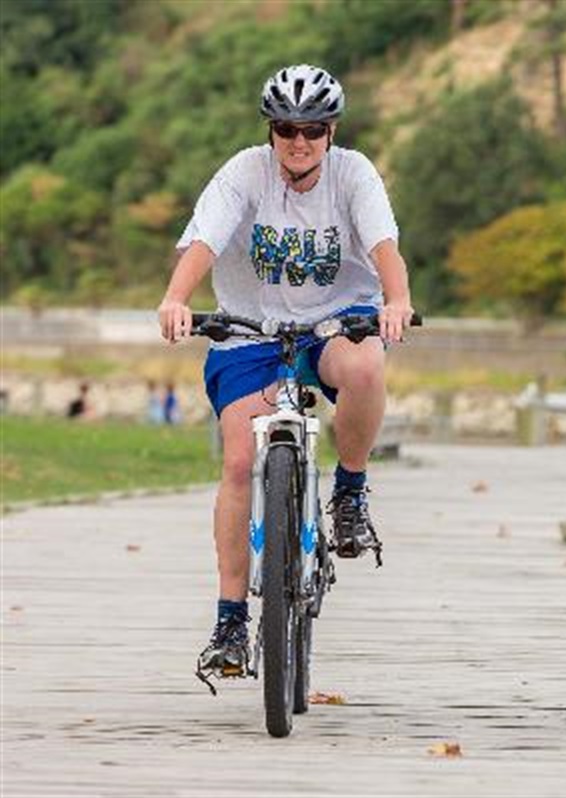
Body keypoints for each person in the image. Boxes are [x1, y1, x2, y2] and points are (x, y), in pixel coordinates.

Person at [157, 64, 416, 679]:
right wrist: (174, 298)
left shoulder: (354, 173)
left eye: (313, 130)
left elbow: (383, 248)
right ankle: (229, 622)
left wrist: (397, 300)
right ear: (270, 131)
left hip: (335, 319)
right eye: (286, 129)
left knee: (364, 367)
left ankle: (349, 494)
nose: (299, 143)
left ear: (332, 132)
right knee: (240, 462)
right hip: (249, 327)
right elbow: (205, 244)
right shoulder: (244, 172)